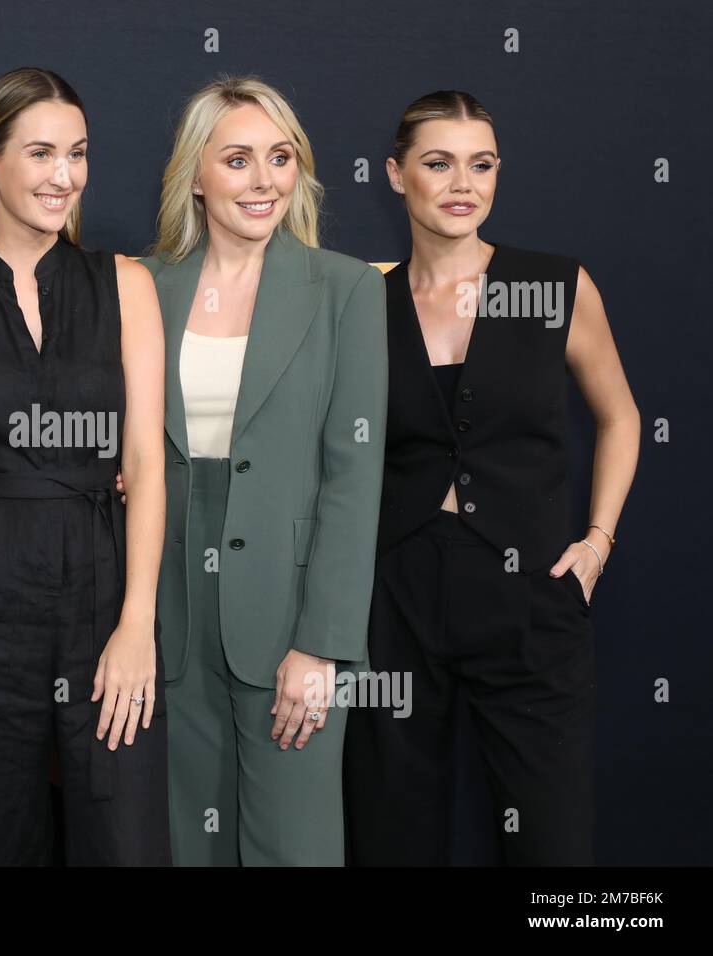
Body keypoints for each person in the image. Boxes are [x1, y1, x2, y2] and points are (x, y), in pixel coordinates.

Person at [342, 90, 641, 866]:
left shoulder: (555, 285)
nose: (461, 183)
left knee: (552, 842)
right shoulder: (361, 305)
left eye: (481, 165)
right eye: (438, 164)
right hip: (395, 600)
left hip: (530, 597)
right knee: (391, 833)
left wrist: (598, 543)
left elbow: (621, 417)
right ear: (396, 175)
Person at [0, 67, 170, 865]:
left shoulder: (125, 284)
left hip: (104, 594)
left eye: (77, 154)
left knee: (122, 840)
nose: (64, 176)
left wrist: (138, 625)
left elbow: (148, 463)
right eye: (42, 152)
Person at [141, 76, 387, 865]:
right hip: (169, 608)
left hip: (292, 607)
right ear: (198, 175)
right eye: (238, 159)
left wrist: (323, 644)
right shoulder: (145, 287)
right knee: (188, 842)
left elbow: (354, 477)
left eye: (280, 158)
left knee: (295, 844)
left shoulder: (347, 288)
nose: (263, 180)